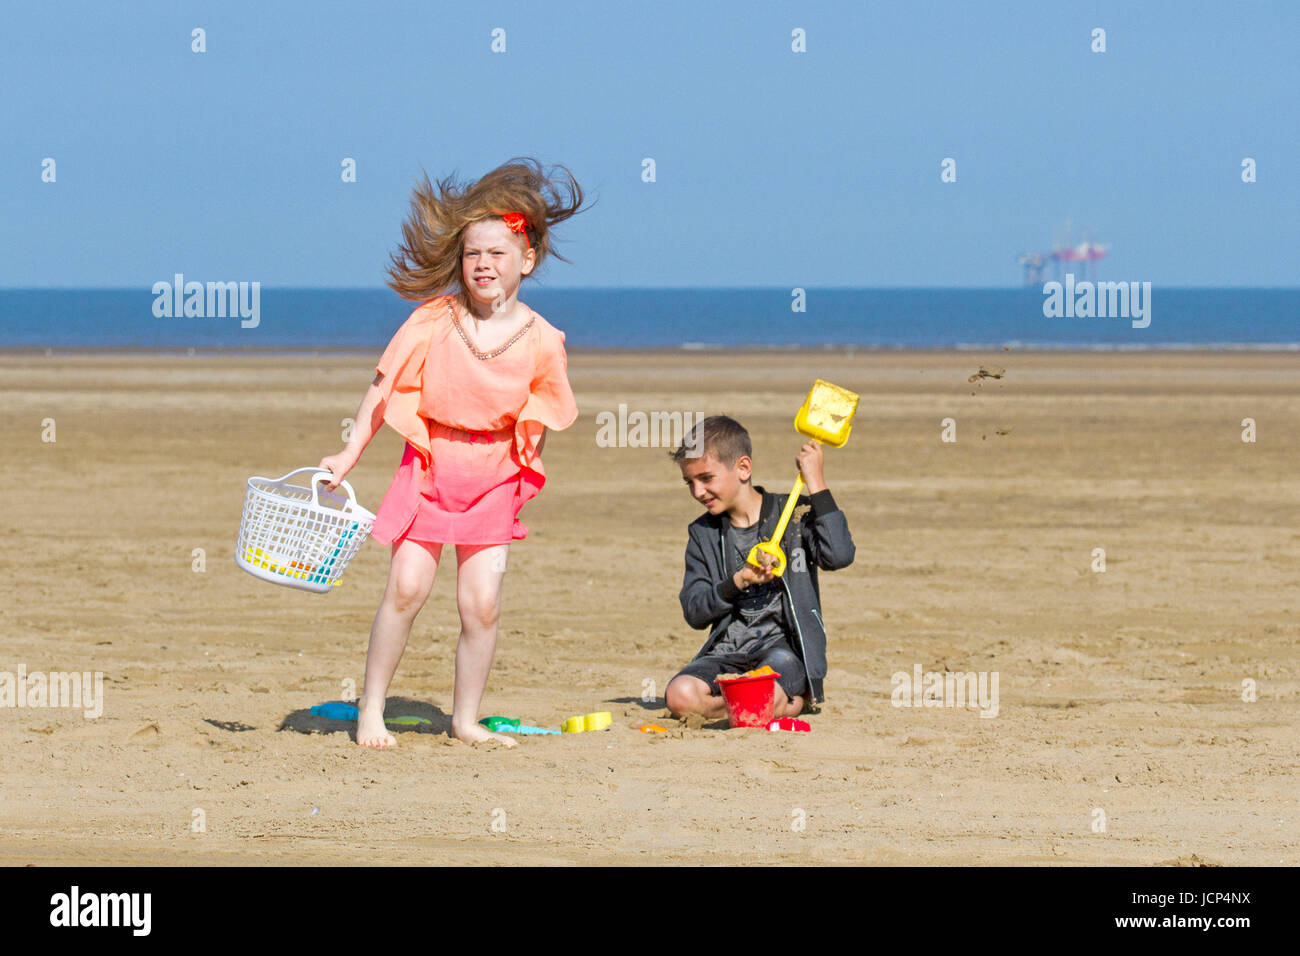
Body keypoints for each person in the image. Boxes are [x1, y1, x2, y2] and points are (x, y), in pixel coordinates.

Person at [319, 157, 586, 748]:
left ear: (527, 260)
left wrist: (516, 465)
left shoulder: (543, 340)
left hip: (493, 481)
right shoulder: (433, 319)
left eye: (497, 253)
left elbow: (542, 414)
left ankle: (465, 720)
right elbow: (382, 387)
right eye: (473, 255)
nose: (483, 265)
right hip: (430, 468)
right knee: (407, 589)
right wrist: (347, 455)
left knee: (481, 605)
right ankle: (371, 711)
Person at [664, 415, 855, 721]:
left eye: (706, 478)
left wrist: (816, 482)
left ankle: (770, 702)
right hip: (728, 651)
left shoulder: (794, 513)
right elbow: (695, 612)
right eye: (690, 482)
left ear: (743, 468)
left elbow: (840, 555)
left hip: (782, 652)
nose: (698, 491)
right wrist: (737, 581)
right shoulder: (703, 533)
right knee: (679, 694)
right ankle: (753, 706)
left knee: (768, 690)